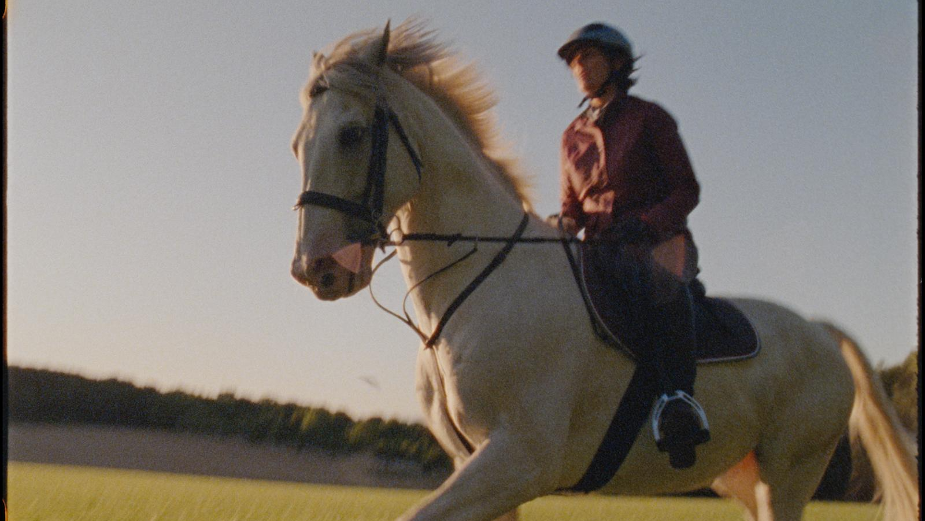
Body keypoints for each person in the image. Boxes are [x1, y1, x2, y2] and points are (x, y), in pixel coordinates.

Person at [555, 22, 710, 468]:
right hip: (600, 249)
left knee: (660, 280)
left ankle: (678, 400)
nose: (578, 66)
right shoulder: (571, 136)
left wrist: (644, 224)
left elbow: (686, 190)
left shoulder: (650, 118)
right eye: (573, 61)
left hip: (660, 242)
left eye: (587, 57)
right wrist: (562, 224)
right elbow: (571, 206)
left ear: (617, 63)